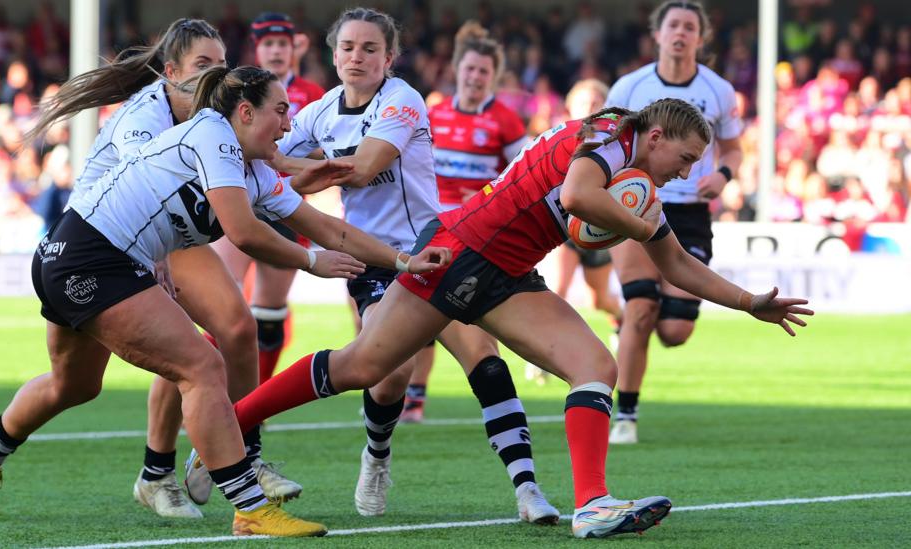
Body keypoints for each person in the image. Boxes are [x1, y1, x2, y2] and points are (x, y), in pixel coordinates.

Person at [232, 97, 813, 539]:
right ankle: (229, 427)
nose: (685, 173)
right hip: (463, 252)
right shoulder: (611, 136)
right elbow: (582, 197)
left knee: (593, 364)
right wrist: (639, 225)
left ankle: (591, 506)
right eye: (684, 159)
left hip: (507, 271)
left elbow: (677, 264)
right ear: (655, 136)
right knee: (363, 366)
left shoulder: (634, 177)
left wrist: (747, 303)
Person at [0, 65, 449, 537]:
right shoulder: (211, 131)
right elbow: (243, 232)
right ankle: (250, 507)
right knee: (202, 366)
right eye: (280, 110)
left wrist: (403, 261)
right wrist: (310, 263)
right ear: (245, 112)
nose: (289, 123)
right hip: (92, 257)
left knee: (74, 385)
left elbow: (331, 228)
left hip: (76, 255)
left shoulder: (253, 175)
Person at [271, 9, 559, 522]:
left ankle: (528, 488)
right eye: (348, 48)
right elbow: (266, 159)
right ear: (333, 54)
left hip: (439, 248)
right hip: (373, 260)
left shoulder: (401, 99)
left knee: (484, 359)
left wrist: (307, 171)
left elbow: (364, 167)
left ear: (389, 57)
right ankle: (377, 455)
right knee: (389, 372)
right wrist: (301, 168)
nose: (357, 57)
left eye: (369, 49)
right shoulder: (317, 113)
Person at [25, 19, 303, 518]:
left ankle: (237, 456)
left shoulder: (213, 117)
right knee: (175, 358)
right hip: (114, 238)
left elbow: (264, 164)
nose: (215, 73)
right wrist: (155, 263)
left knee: (233, 330)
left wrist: (300, 170)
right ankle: (166, 472)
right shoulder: (144, 118)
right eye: (202, 65)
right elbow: (145, 188)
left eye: (220, 63)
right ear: (170, 72)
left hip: (157, 235)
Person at [604, 0, 744, 445]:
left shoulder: (719, 90)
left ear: (700, 38)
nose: (680, 33)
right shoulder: (630, 86)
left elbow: (735, 148)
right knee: (642, 307)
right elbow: (604, 141)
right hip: (633, 203)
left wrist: (722, 174)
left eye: (689, 26)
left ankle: (629, 328)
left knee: (675, 330)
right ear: (658, 34)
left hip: (690, 213)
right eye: (673, 25)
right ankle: (625, 413)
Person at [401, 21, 531, 424]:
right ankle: (415, 398)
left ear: (494, 77)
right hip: (436, 227)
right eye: (469, 69)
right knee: (422, 305)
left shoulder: (506, 121)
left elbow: (522, 177)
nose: (475, 77)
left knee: (479, 312)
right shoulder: (434, 114)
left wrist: (487, 198)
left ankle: (490, 390)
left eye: (483, 72)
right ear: (457, 70)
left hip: (483, 231)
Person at [210, 12, 325, 402]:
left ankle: (253, 402)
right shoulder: (241, 90)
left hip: (286, 209)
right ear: (257, 49)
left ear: (296, 49)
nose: (276, 50)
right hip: (240, 201)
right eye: (269, 44)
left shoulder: (314, 94)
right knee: (219, 305)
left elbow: (325, 153)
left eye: (283, 43)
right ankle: (211, 393)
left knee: (270, 316)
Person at [533, 78, 622, 386]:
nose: (591, 108)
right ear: (570, 107)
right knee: (557, 289)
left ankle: (620, 318)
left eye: (597, 102)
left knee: (599, 300)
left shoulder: (614, 143)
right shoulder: (556, 139)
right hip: (565, 228)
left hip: (598, 229)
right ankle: (544, 354)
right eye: (585, 102)